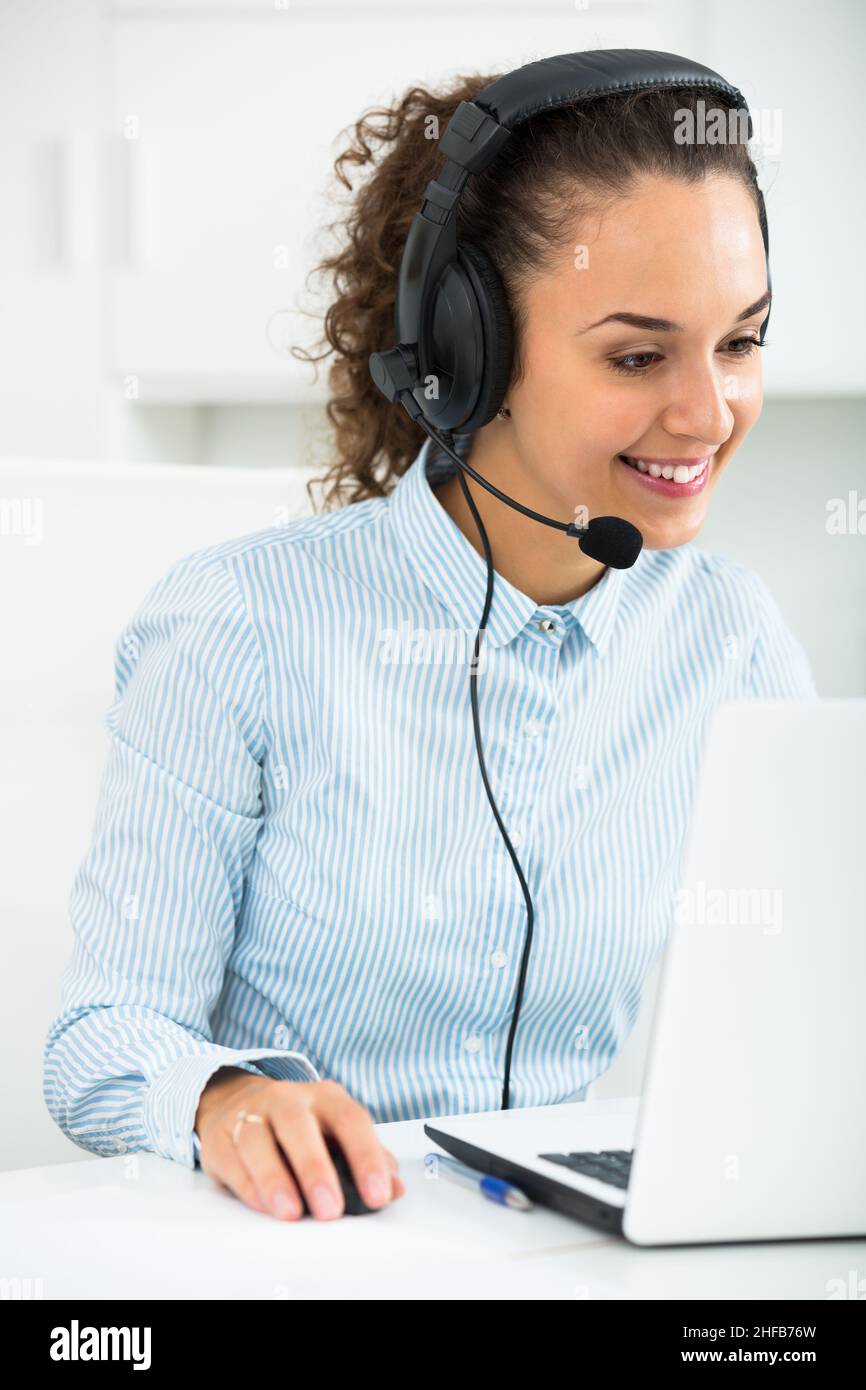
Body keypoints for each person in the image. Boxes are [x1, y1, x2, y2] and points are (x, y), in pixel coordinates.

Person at [43, 73, 817, 1223]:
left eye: (740, 342)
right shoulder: (240, 628)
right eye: (636, 358)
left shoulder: (730, 639)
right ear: (469, 352)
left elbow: (814, 994)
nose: (709, 414)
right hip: (301, 1248)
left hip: (579, 1251)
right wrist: (221, 1097)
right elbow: (98, 1043)